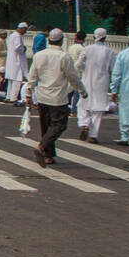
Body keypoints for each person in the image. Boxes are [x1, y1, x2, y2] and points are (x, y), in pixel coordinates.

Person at [24, 28, 87, 167]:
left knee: (46, 127)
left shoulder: (39, 55)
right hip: (58, 98)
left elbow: (32, 77)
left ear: (49, 40)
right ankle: (42, 147)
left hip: (42, 96)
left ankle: (48, 156)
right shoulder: (63, 57)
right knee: (59, 125)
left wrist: (28, 94)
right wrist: (82, 91)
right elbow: (73, 77)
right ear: (61, 41)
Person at [75, 28, 115, 143]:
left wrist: (86, 69)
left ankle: (84, 124)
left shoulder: (87, 49)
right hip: (101, 83)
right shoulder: (109, 51)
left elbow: (78, 64)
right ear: (105, 37)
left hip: (87, 81)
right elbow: (112, 69)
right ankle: (93, 135)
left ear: (93, 37)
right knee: (98, 110)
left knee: (83, 105)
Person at [5, 23, 30, 104]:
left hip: (11, 60)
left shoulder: (12, 35)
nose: (25, 32)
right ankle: (13, 98)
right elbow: (18, 47)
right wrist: (24, 49)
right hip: (16, 61)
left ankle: (8, 96)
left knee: (11, 80)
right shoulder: (17, 36)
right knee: (17, 80)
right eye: (25, 30)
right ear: (22, 29)